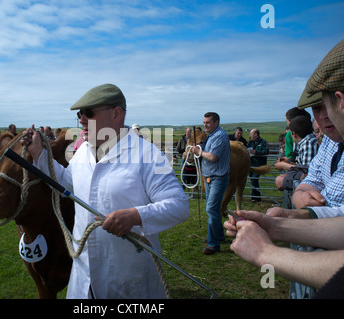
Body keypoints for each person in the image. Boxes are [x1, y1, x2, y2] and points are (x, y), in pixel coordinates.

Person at [21, 83, 189, 298]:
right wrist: (39, 155)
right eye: (79, 114)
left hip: (127, 276)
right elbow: (68, 184)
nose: (81, 119)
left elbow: (179, 206)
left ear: (116, 113)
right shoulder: (83, 152)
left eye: (88, 113)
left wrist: (135, 216)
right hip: (84, 276)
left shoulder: (148, 154)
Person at [224, 39, 344, 298]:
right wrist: (278, 223)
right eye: (315, 111)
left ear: (340, 100)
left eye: (324, 106)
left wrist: (268, 253)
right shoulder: (331, 144)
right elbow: (316, 184)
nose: (321, 120)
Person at [190, 112, 230, 255]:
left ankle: (213, 244)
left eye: (208, 122)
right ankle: (218, 236)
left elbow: (213, 157)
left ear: (216, 122)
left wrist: (198, 151)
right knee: (214, 208)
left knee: (211, 209)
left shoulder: (220, 136)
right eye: (204, 122)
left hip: (217, 177)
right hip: (210, 177)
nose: (205, 125)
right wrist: (201, 146)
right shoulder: (212, 136)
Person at [274, 116, 318, 191]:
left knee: (279, 180)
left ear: (294, 134)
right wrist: (289, 162)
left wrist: (284, 165)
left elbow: (307, 170)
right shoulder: (306, 142)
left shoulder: (308, 143)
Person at [247, 128, 269, 202]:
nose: (250, 135)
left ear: (256, 134)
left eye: (251, 133)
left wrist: (256, 152)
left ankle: (255, 198)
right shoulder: (250, 142)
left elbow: (266, 151)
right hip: (251, 164)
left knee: (254, 180)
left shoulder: (263, 142)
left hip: (259, 165)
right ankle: (256, 198)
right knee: (253, 180)